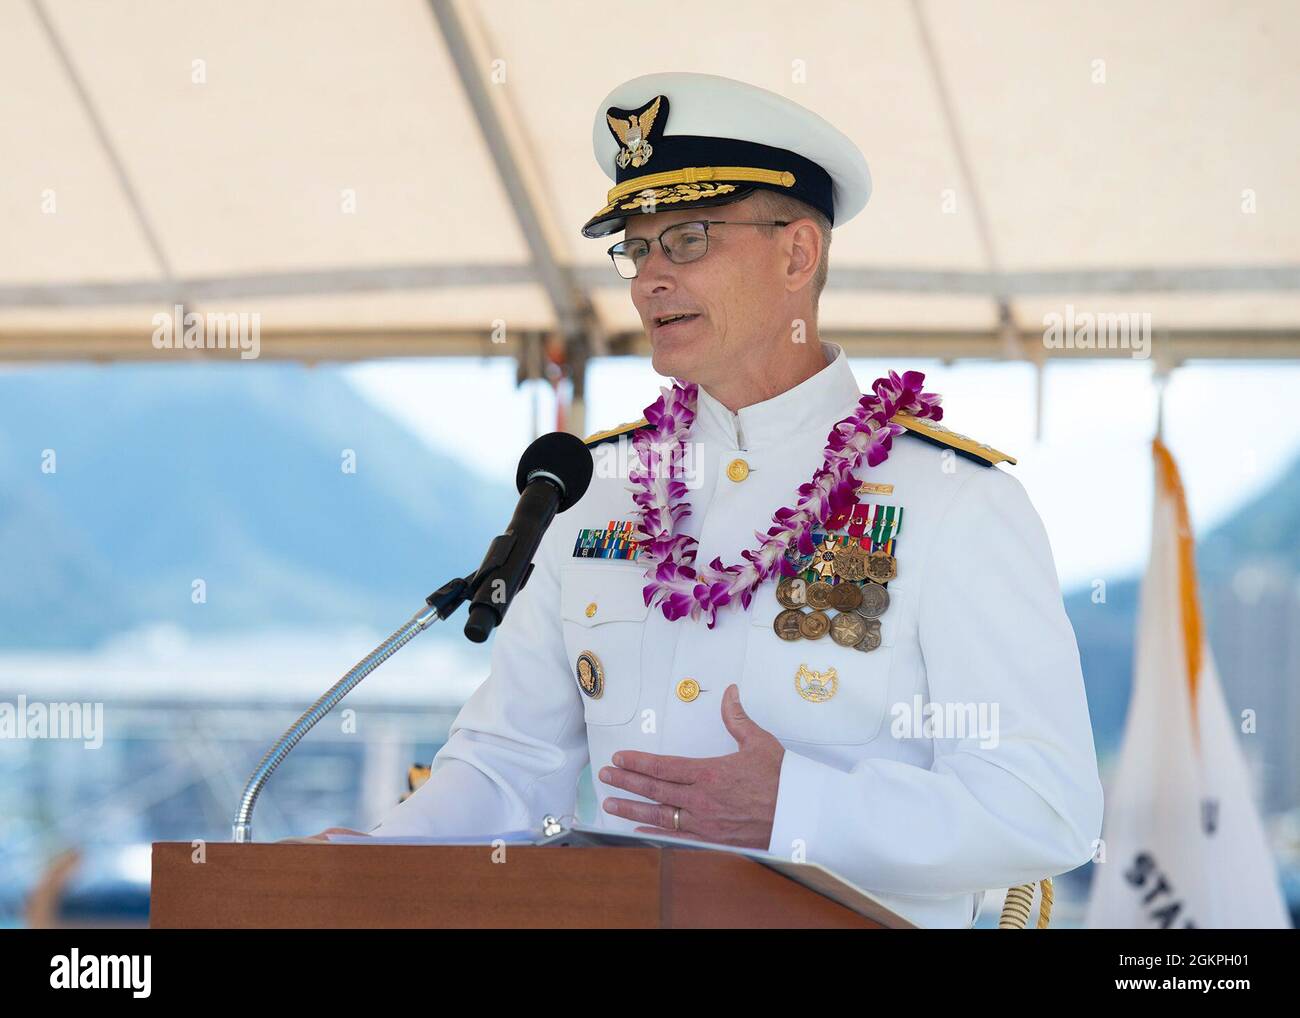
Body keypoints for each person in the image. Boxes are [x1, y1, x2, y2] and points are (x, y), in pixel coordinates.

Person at [345, 72, 1104, 928]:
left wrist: (799, 811)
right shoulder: (590, 493)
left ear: (797, 254)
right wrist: (360, 865)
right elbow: (510, 762)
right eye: (637, 249)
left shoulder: (952, 500)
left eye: (689, 239)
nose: (647, 281)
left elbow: (1046, 805)